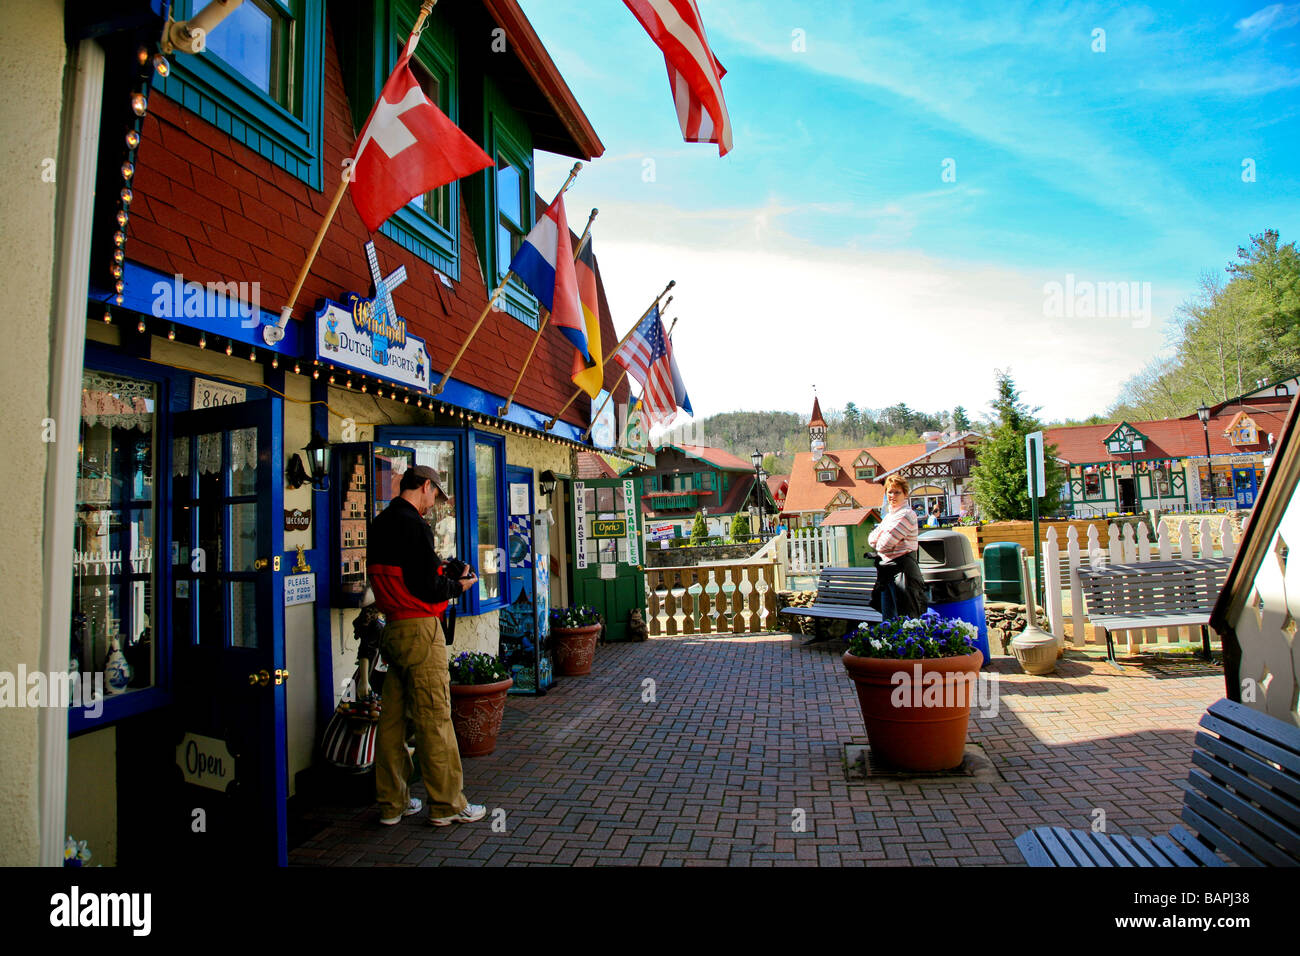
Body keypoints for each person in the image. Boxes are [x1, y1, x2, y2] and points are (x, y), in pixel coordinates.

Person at [367, 464, 486, 827]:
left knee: (392, 722)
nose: (435, 502)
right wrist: (457, 586)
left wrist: (442, 569)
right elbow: (426, 587)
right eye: (435, 493)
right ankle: (448, 805)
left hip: (393, 630)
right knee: (435, 717)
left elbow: (403, 575)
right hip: (420, 628)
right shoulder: (415, 525)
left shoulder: (380, 522)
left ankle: (392, 804)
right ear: (423, 485)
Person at [867, 476, 928, 619]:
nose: (892, 496)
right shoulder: (889, 516)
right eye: (889, 492)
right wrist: (881, 539)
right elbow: (872, 539)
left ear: (905, 494)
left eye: (897, 492)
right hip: (886, 571)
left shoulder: (907, 515)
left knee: (906, 618)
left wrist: (881, 539)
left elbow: (883, 544)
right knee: (888, 619)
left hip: (903, 572)